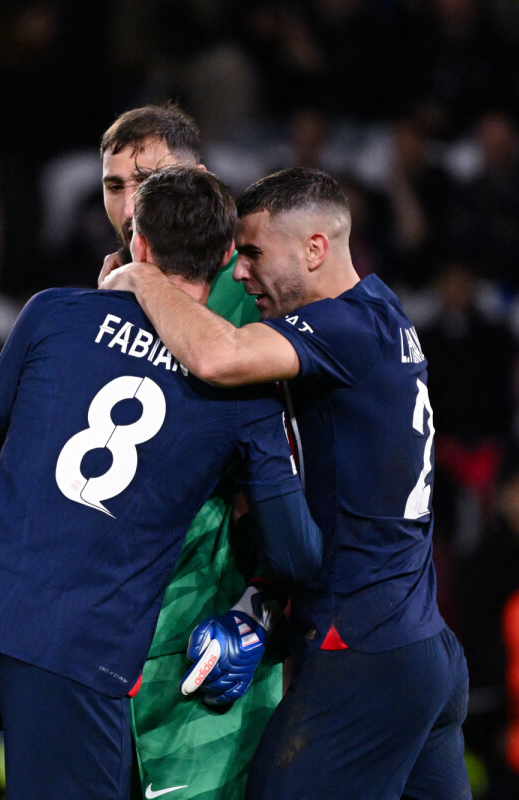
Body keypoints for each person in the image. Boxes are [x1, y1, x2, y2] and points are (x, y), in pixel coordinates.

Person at [0, 166, 320, 800]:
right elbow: (294, 551)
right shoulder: (243, 388)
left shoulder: (51, 312)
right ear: (223, 260)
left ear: (141, 246)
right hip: (81, 649)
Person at [102, 167, 470, 799]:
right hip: (417, 646)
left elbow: (218, 357)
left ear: (314, 249)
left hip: (365, 649)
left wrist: (142, 279)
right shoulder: (384, 316)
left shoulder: (345, 327)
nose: (239, 274)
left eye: (251, 253)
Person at [98, 104, 287, 800]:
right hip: (119, 626)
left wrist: (258, 606)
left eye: (147, 179)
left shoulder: (245, 291)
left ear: (201, 180)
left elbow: (285, 470)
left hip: (210, 614)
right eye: (115, 185)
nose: (129, 203)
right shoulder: (109, 292)